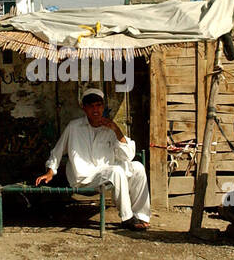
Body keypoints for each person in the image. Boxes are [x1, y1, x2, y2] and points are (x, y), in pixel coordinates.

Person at [34, 87, 151, 230]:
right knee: (116, 171)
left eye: (98, 105)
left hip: (105, 174)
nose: (95, 110)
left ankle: (141, 216)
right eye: (91, 106)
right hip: (83, 178)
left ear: (103, 107)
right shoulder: (74, 127)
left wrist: (117, 130)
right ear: (84, 108)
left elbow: (128, 156)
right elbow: (57, 151)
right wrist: (50, 171)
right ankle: (127, 218)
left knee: (137, 166)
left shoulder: (110, 128)